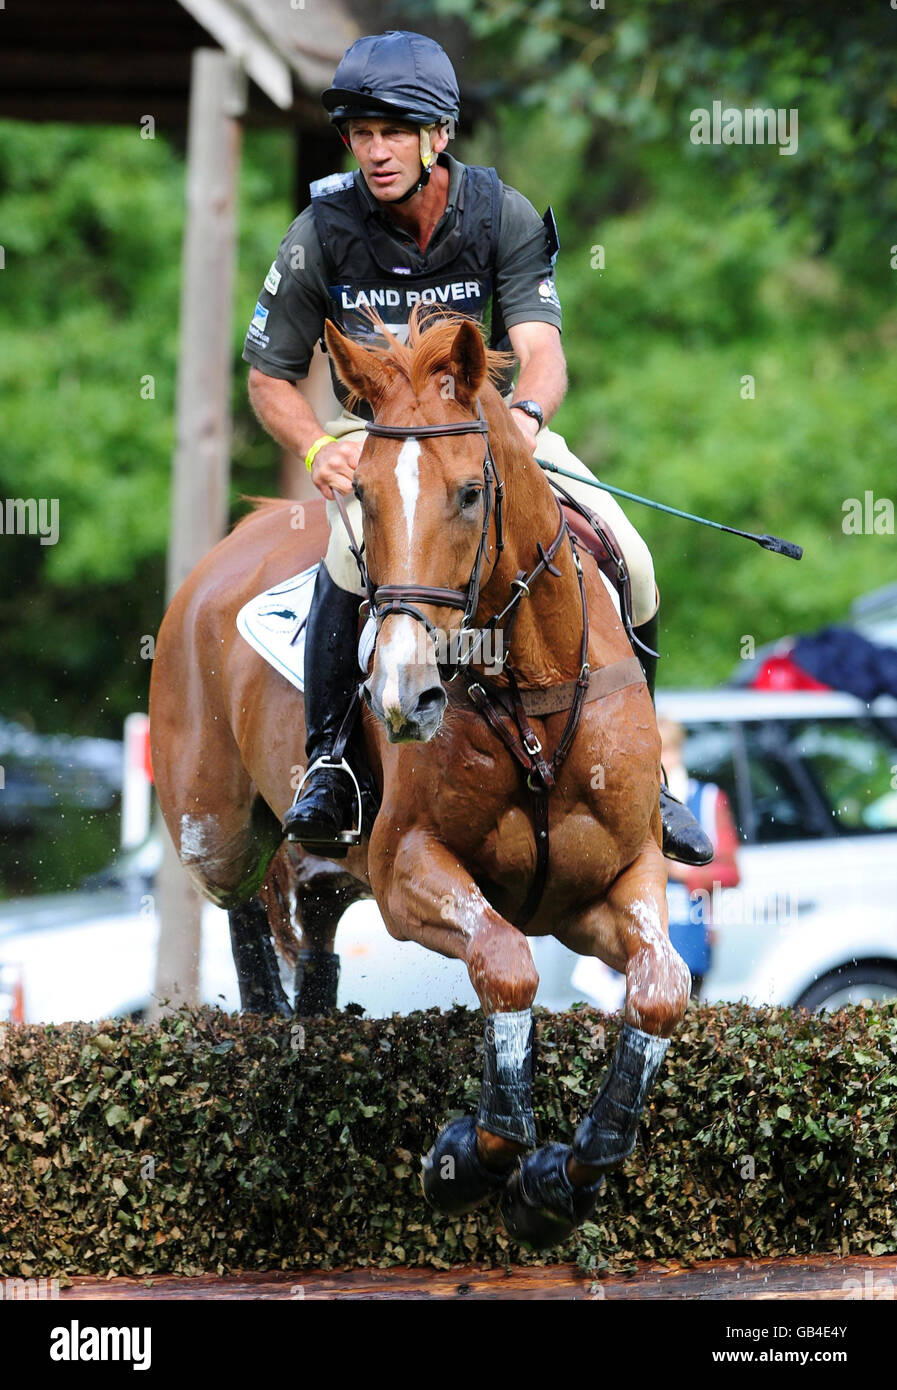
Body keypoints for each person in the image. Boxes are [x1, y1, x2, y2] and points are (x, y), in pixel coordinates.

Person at [242, 29, 712, 866]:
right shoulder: (320, 230)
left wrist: (526, 415)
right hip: (383, 441)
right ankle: (333, 767)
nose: (375, 152)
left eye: (393, 131)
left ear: (439, 135)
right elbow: (269, 379)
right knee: (350, 562)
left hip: (491, 431)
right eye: (361, 133)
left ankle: (650, 778)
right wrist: (317, 451)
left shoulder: (501, 214)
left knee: (631, 556)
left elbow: (541, 347)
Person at [657, 718, 741, 997]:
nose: (660, 762)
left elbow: (731, 872)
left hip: (689, 938)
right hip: (640, 945)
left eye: (666, 751)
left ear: (678, 751)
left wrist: (687, 873)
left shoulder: (706, 799)